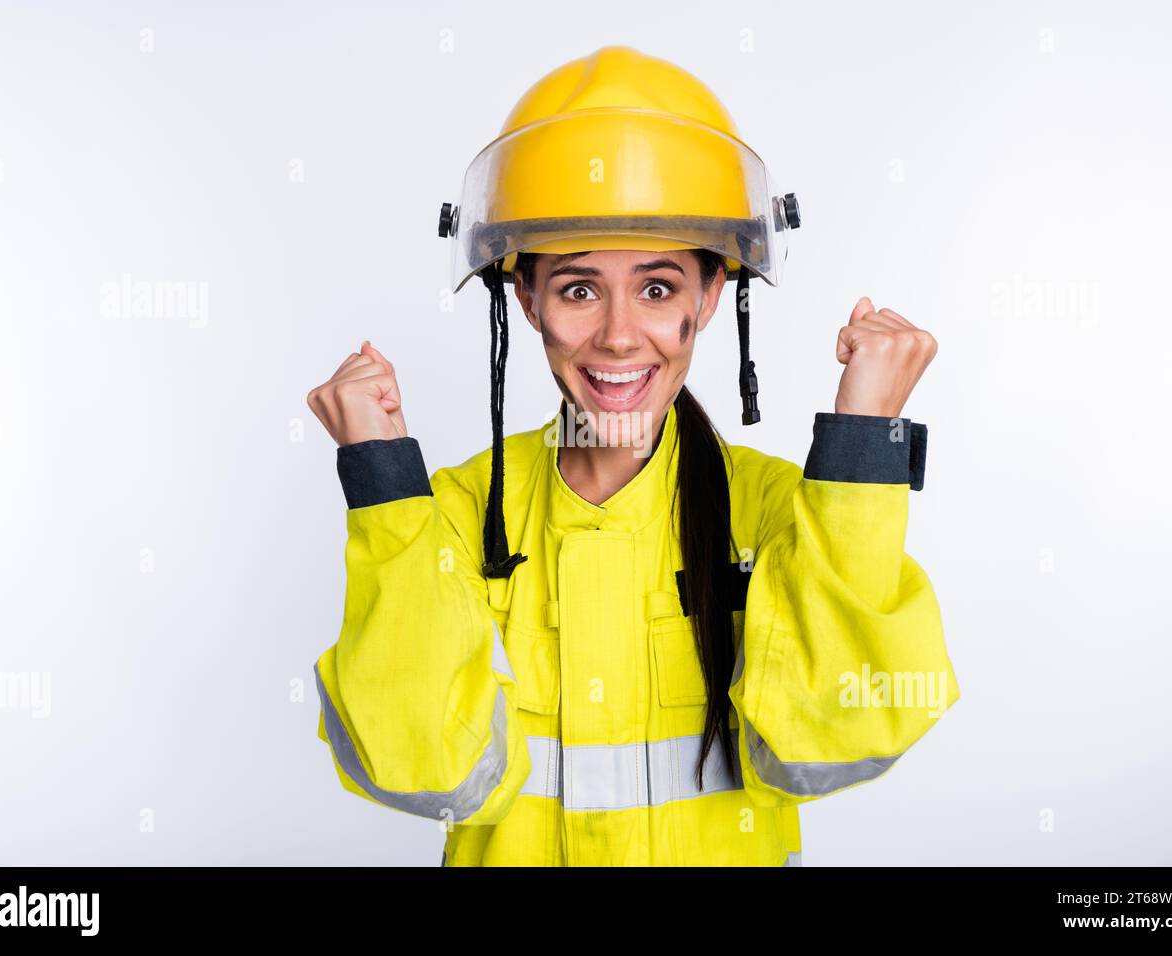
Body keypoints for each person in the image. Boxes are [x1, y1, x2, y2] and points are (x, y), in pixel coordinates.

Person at [307, 46, 960, 867]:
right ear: (528, 299)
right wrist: (382, 483)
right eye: (579, 288)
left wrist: (864, 447)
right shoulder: (457, 512)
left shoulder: (777, 513)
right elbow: (423, 769)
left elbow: (828, 743)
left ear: (711, 296)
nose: (619, 334)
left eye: (657, 288)